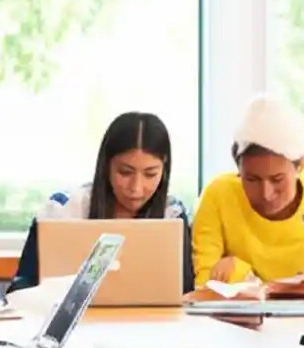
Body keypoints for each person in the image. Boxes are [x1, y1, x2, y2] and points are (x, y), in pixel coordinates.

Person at [10, 111, 192, 293]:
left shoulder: (172, 214)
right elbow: (20, 288)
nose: (136, 188)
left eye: (150, 174)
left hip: (154, 321)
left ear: (164, 169)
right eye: (125, 172)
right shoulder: (64, 209)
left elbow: (185, 293)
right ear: (106, 166)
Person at [192, 94, 304, 286]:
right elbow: (204, 287)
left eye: (277, 180)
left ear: (300, 165)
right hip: (241, 315)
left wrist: (244, 277)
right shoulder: (218, 195)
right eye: (251, 179)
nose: (266, 194)